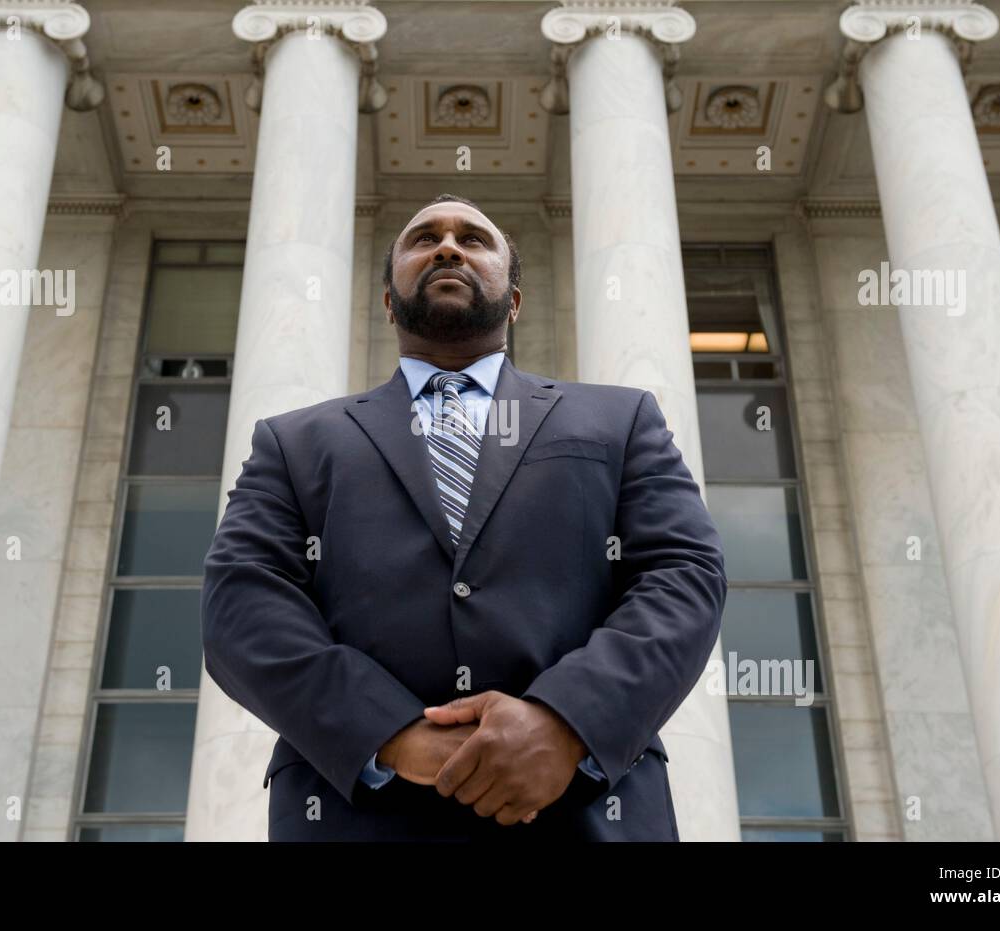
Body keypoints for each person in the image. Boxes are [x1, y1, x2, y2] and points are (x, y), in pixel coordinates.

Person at [201, 193, 726, 841]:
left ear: (514, 300)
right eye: (423, 238)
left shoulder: (621, 419)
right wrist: (392, 733)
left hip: (585, 805)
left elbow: (683, 576)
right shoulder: (293, 441)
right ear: (390, 302)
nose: (448, 246)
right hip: (357, 812)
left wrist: (565, 722)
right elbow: (241, 606)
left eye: (474, 239)